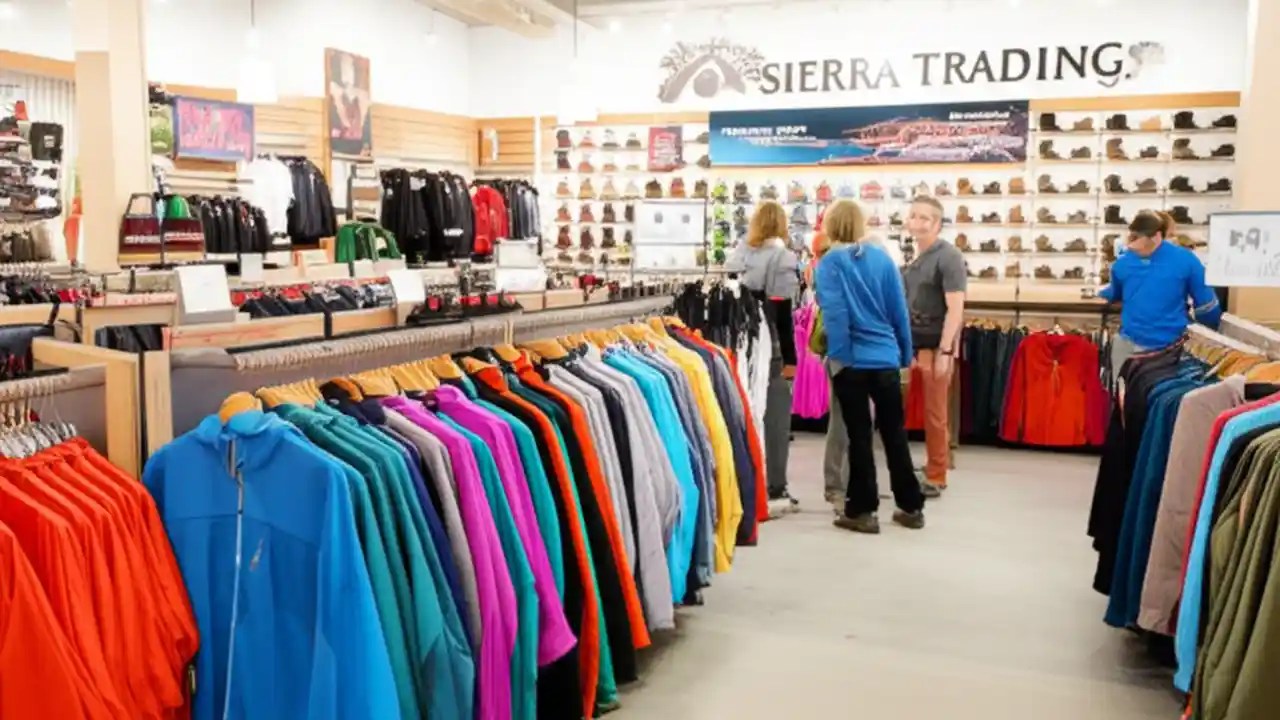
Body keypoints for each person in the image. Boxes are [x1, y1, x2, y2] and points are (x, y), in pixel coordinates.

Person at [815, 200, 925, 533]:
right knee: (894, 434)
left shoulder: (830, 262)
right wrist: (905, 353)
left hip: (852, 361)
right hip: (886, 358)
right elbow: (898, 312)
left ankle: (862, 510)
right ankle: (910, 505)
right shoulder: (882, 259)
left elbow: (835, 314)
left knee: (859, 437)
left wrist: (841, 357)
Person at [725, 200, 800, 515]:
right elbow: (782, 312)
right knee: (776, 417)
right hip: (770, 343)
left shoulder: (739, 254)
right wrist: (791, 361)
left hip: (737, 341)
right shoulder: (782, 258)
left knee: (741, 412)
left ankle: (741, 482)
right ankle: (775, 488)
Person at [1099, 210, 1221, 376]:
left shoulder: (1122, 263)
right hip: (1172, 348)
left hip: (1131, 346)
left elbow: (1113, 293)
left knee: (1121, 395)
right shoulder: (1187, 260)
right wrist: (1206, 335)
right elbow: (1207, 307)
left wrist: (1101, 294)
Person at [901, 196, 967, 496]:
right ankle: (927, 467)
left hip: (935, 346)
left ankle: (938, 474)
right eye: (913, 215)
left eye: (924, 218)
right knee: (908, 410)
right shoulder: (913, 257)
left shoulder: (949, 257)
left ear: (937, 223)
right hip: (911, 344)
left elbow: (956, 308)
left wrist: (946, 350)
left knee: (935, 413)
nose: (917, 222)